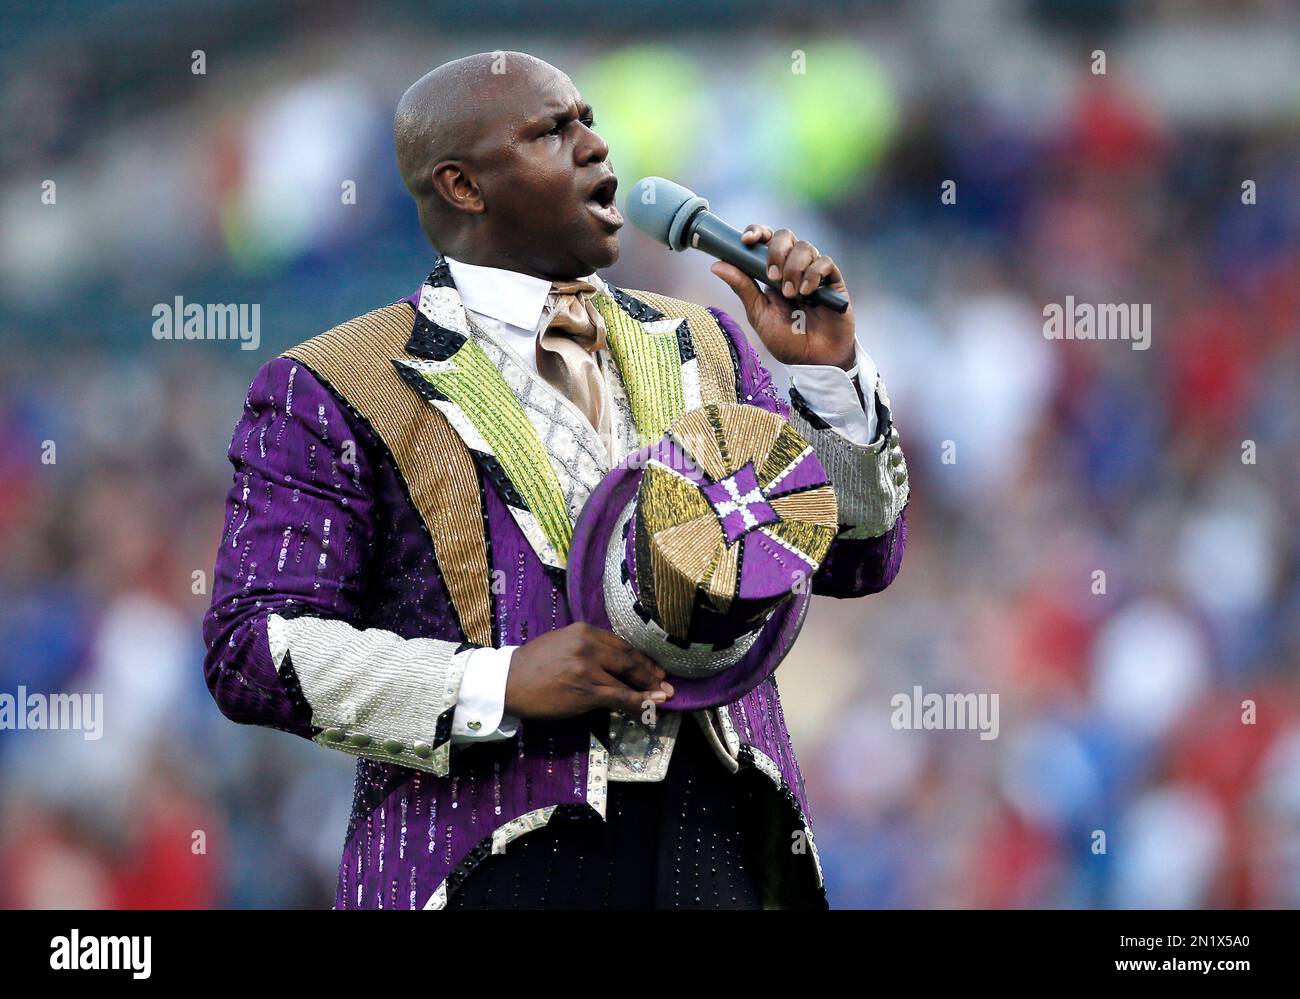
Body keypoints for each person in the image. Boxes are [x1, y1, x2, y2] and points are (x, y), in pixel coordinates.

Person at [202, 51, 909, 909]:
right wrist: (496, 680)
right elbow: (251, 645)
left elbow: (854, 556)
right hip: (484, 871)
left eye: (589, 121)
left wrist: (828, 375)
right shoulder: (332, 382)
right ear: (463, 186)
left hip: (720, 853)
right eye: (553, 131)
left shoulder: (712, 343)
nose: (596, 147)